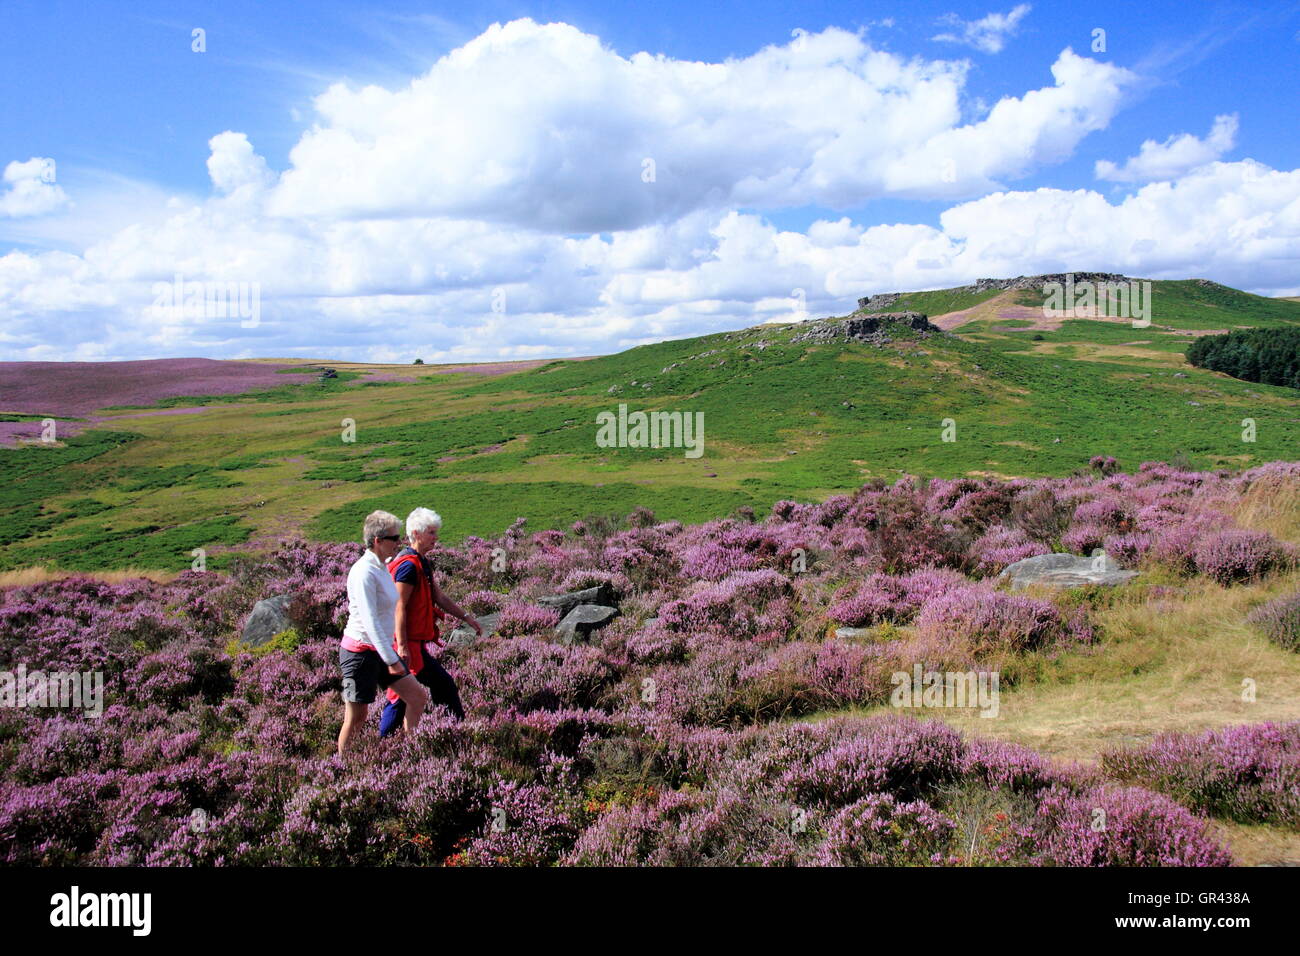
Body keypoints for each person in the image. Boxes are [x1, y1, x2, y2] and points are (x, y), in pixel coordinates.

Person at [379, 507, 479, 736]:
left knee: (410, 694)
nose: (436, 537)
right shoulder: (407, 566)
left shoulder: (421, 562)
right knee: (410, 695)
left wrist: (467, 618)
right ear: (416, 533)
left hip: (413, 645)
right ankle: (454, 732)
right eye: (431, 532)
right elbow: (399, 606)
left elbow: (439, 597)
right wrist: (402, 646)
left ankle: (447, 732)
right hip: (405, 646)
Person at [337, 510, 429, 756]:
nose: (399, 543)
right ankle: (342, 767)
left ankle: (412, 754)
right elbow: (369, 621)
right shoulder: (364, 572)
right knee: (357, 717)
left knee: (418, 698)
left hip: (382, 651)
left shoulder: (382, 566)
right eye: (394, 538)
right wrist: (391, 659)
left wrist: (389, 654)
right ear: (377, 540)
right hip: (360, 654)